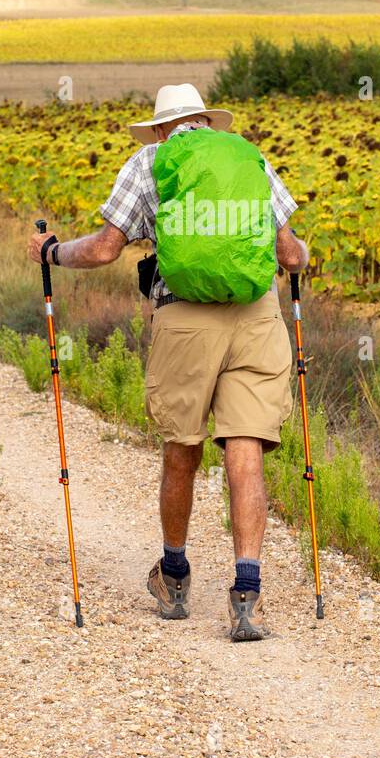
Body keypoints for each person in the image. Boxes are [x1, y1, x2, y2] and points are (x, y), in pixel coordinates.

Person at [28, 83, 308, 641]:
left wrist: (52, 252)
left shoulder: (150, 161)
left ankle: (176, 580)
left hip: (185, 320)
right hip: (258, 316)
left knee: (183, 446)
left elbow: (106, 248)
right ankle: (246, 594)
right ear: (207, 120)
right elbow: (293, 253)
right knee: (245, 447)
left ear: (161, 128)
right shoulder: (248, 157)